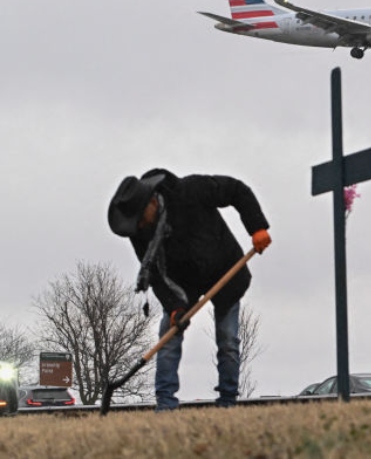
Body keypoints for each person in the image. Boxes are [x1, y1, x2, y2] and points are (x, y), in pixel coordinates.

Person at [107, 169, 272, 410]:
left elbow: (236, 190)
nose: (139, 225)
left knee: (227, 339)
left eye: (141, 219)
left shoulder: (191, 190)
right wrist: (174, 307)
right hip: (182, 285)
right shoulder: (140, 231)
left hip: (224, 268)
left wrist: (257, 227)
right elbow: (154, 273)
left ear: (152, 202)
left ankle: (227, 401)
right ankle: (165, 404)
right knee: (168, 336)